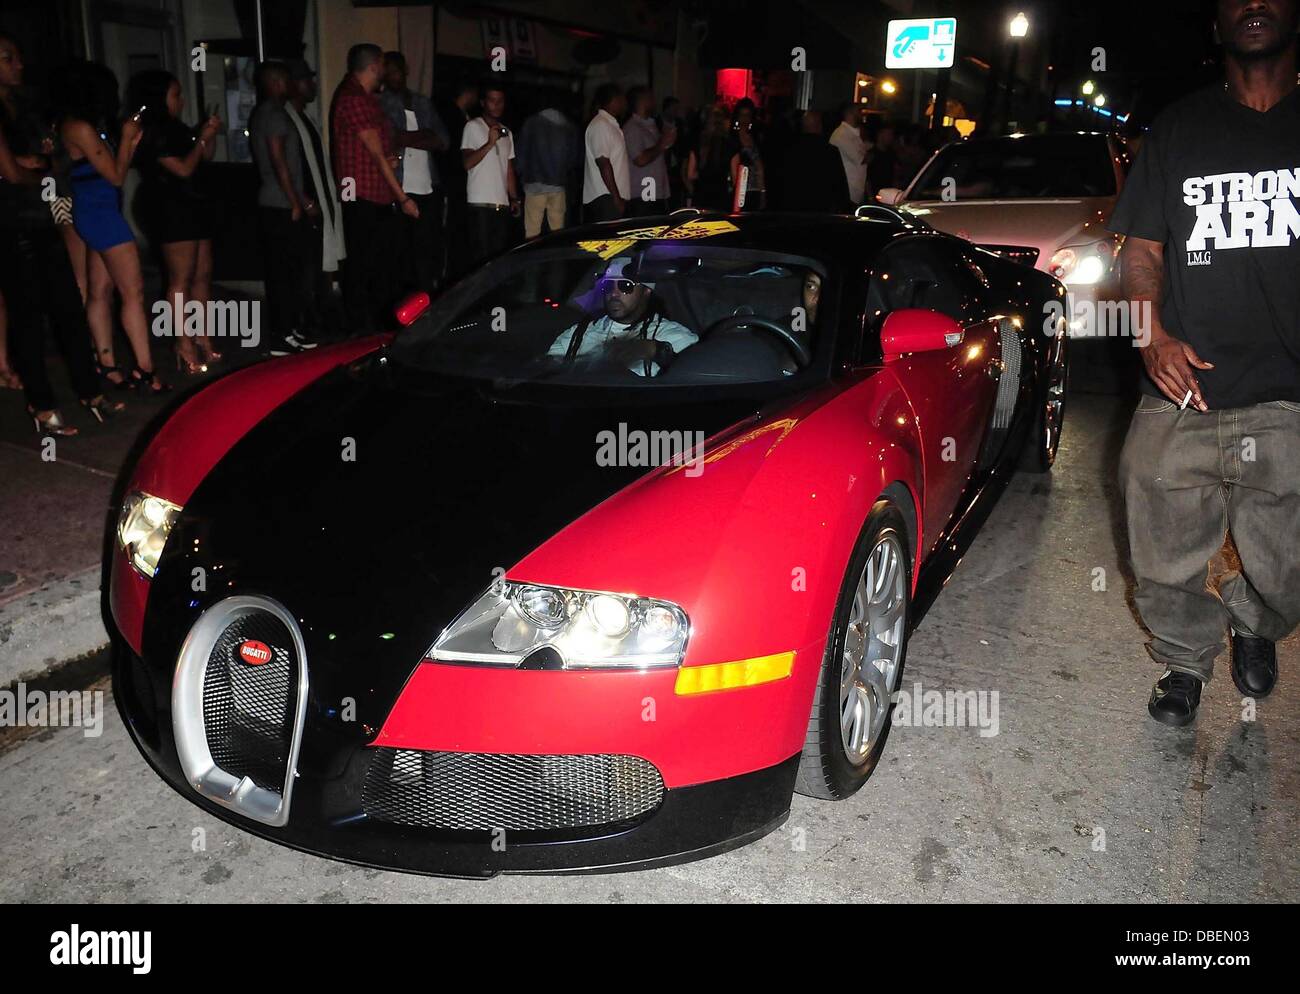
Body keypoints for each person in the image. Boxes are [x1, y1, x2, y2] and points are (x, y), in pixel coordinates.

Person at [1110, 0, 1300, 726]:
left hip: (1290, 394)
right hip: (1185, 389)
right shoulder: (1181, 128)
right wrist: (1150, 336)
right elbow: (1141, 249)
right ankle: (1186, 661)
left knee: (1287, 571)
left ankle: (1254, 617)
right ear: (1216, 26)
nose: (1253, 5)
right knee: (1159, 551)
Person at [0, 34, 122, 433]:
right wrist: (31, 167)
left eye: (17, 56)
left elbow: (53, 157)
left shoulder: (26, 105)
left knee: (68, 307)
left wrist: (35, 165)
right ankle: (41, 404)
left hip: (43, 219)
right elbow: (16, 172)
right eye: (8, 58)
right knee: (28, 317)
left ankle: (90, 391)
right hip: (11, 224)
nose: (18, 65)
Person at [59, 60, 167, 393]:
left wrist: (129, 142)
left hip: (98, 211)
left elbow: (112, 170)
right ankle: (145, 370)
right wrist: (125, 141)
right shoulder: (80, 127)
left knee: (101, 291)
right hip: (101, 216)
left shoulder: (88, 125)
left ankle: (107, 365)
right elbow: (116, 177)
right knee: (132, 292)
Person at [126, 69, 222, 374]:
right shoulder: (153, 131)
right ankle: (183, 342)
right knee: (180, 278)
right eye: (175, 94)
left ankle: (203, 337)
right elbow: (182, 169)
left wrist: (209, 137)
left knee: (203, 275)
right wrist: (201, 141)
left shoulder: (177, 127)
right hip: (171, 207)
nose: (181, 101)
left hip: (195, 204)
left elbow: (203, 159)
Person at [330, 43, 417, 336]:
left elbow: (375, 153)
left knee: (378, 264)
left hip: (372, 193)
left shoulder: (364, 97)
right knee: (364, 265)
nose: (385, 70)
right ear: (373, 67)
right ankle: (360, 330)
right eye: (382, 65)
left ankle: (372, 327)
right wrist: (403, 198)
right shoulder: (354, 98)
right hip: (362, 195)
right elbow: (376, 153)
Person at [250, 61, 318, 355]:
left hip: (279, 201)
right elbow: (279, 163)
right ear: (278, 82)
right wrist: (296, 201)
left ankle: (289, 330)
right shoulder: (273, 114)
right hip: (278, 204)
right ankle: (281, 335)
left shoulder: (270, 112)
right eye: (288, 79)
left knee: (289, 271)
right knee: (282, 273)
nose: (292, 85)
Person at [547, 257, 697, 377]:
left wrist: (658, 351)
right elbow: (547, 371)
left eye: (625, 286)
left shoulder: (674, 336)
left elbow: (698, 373)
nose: (614, 294)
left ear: (646, 291)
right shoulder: (578, 334)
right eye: (609, 286)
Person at [379, 51, 449, 296]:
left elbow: (443, 140)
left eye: (398, 69)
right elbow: (389, 139)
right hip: (398, 188)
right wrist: (424, 135)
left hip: (429, 187)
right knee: (401, 253)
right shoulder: (381, 103)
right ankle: (402, 306)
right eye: (389, 71)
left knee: (427, 251)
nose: (394, 75)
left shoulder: (422, 102)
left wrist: (406, 138)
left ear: (406, 70)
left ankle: (426, 301)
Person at [285, 58, 344, 342]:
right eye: (307, 80)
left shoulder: (304, 118)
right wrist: (305, 200)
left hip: (318, 205)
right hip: (305, 207)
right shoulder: (287, 119)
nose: (313, 85)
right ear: (294, 85)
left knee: (319, 268)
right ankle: (307, 325)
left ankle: (319, 322)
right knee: (307, 271)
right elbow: (286, 165)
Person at [459, 82, 519, 267]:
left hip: (501, 204)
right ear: (483, 103)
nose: (497, 105)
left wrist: (514, 198)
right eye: (492, 100)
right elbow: (467, 163)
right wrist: (489, 143)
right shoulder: (473, 126)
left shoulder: (507, 132)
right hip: (480, 204)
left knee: (498, 259)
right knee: (481, 261)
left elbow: (508, 168)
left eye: (500, 101)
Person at [516, 104, 580, 238]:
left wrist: (521, 177)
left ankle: (533, 257)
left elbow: (522, 153)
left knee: (532, 231)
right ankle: (556, 257)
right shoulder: (568, 125)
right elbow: (574, 157)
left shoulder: (532, 123)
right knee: (557, 230)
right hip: (559, 184)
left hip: (534, 182)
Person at [775, 109, 851, 212]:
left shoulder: (789, 149)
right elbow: (839, 183)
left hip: (793, 207)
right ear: (820, 125)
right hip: (821, 208)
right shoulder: (830, 151)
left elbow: (780, 178)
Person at [439, 79, 478, 280]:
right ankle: (448, 274)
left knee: (461, 228)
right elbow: (450, 152)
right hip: (452, 180)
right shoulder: (451, 116)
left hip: (462, 182)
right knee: (452, 228)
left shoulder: (465, 117)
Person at [623, 86, 674, 215]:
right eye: (651, 98)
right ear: (643, 101)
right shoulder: (633, 127)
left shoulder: (649, 125)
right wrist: (661, 144)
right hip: (644, 194)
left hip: (655, 192)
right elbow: (640, 159)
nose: (655, 102)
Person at [582, 84, 629, 222]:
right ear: (615, 100)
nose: (625, 104)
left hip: (610, 197)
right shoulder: (601, 125)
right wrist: (616, 199)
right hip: (605, 197)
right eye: (622, 99)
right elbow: (603, 163)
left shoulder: (609, 124)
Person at [685, 103, 730, 210]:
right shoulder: (729, 144)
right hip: (721, 197)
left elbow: (690, 174)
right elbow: (735, 175)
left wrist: (703, 174)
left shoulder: (697, 143)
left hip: (701, 197)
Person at [727, 98, 765, 211]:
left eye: (748, 115)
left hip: (754, 190)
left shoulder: (756, 138)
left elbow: (760, 167)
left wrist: (763, 192)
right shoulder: (731, 138)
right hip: (738, 190)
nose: (744, 119)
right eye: (742, 115)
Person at [830, 102, 868, 206]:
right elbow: (861, 159)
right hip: (848, 192)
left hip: (857, 191)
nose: (862, 114)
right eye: (859, 111)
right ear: (850, 113)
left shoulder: (854, 134)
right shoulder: (842, 135)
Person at [866, 120, 899, 200]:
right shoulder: (871, 154)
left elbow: (895, 175)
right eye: (888, 134)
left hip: (889, 196)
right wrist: (870, 197)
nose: (891, 137)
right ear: (880, 135)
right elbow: (866, 179)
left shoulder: (892, 153)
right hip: (875, 195)